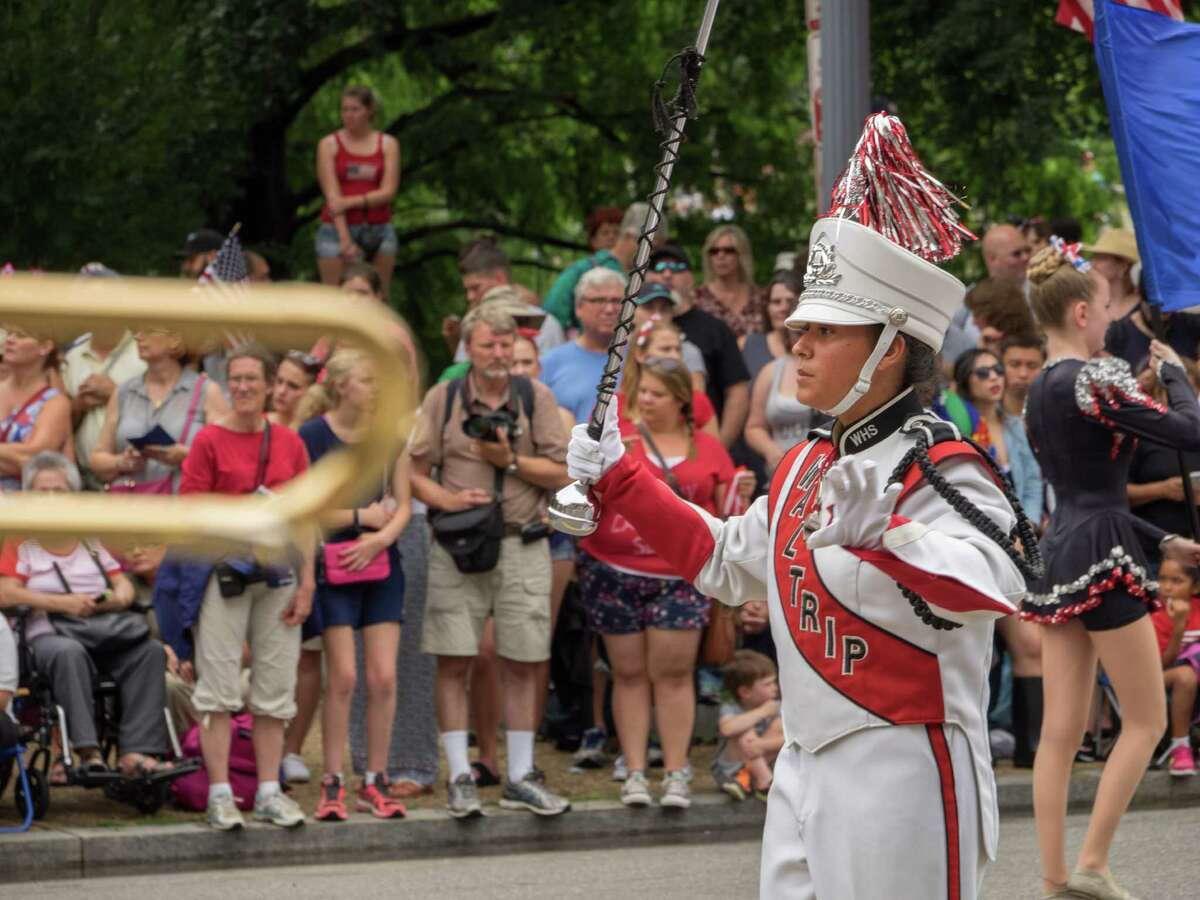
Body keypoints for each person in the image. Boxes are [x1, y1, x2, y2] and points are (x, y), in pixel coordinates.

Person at [567, 113, 1030, 899]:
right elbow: (724, 562)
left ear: (890, 346)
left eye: (824, 330)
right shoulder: (809, 462)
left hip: (905, 764)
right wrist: (620, 478)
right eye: (799, 326)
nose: (797, 341)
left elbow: (1000, 583)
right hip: (803, 763)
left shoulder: (942, 463)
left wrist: (894, 539)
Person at [1020, 242, 1200, 900]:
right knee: (1147, 720)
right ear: (1079, 312)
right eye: (1102, 309)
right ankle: (1093, 861)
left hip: (1064, 547)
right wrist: (1177, 374)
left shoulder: (1039, 389)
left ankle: (1054, 876)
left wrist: (1166, 537)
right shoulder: (1097, 377)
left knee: (1060, 732)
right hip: (1104, 555)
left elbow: (1088, 488)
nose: (1109, 321)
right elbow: (1190, 432)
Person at [409, 304, 572, 818]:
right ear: (469, 350)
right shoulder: (445, 397)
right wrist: (445, 500)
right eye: (488, 345)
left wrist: (512, 462)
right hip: (458, 547)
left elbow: (566, 473)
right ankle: (460, 773)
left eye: (506, 345)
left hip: (523, 541)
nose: (499, 355)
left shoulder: (535, 396)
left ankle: (521, 774)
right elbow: (414, 470)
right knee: (454, 658)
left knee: (524, 661)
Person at [577, 357, 751, 809]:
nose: (646, 400)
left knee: (673, 675)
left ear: (680, 399)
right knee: (628, 673)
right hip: (613, 569)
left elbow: (726, 509)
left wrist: (741, 493)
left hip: (680, 575)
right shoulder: (623, 440)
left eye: (656, 393)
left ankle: (676, 773)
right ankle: (635, 771)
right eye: (643, 392)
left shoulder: (707, 448)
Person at [180, 345, 315, 832]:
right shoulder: (208, 442)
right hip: (225, 573)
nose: (242, 387)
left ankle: (268, 791)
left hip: (279, 574)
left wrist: (309, 582)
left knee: (275, 688)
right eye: (234, 379)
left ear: (269, 386)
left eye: (251, 380)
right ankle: (220, 794)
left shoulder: (289, 443)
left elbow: (306, 518)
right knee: (216, 689)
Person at [0, 452, 170, 779]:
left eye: (59, 491)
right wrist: (62, 603)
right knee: (68, 653)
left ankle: (137, 752)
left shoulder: (90, 542)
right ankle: (87, 749)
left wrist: (109, 601)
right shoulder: (21, 542)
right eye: (42, 492)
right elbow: (6, 593)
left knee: (149, 652)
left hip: (102, 629)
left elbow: (125, 589)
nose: (51, 499)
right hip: (48, 636)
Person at [296, 349, 411, 821]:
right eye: (368, 379)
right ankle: (333, 779)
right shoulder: (312, 436)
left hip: (382, 563)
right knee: (342, 677)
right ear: (342, 385)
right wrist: (362, 518)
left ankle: (375, 779)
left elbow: (403, 503)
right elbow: (304, 509)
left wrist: (380, 536)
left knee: (383, 677)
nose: (377, 389)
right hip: (334, 565)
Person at [90, 329, 227, 493]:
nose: (138, 337)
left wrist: (186, 455)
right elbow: (97, 457)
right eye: (138, 332)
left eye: (149, 331)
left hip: (183, 508)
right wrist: (121, 461)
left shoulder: (206, 391)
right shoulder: (124, 391)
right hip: (129, 510)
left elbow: (226, 457)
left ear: (174, 341)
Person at [646, 244, 751, 449]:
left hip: (702, 441)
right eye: (659, 268)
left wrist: (718, 448)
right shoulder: (634, 331)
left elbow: (737, 392)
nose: (667, 274)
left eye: (676, 267)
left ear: (691, 278)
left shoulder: (715, 329)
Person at [60, 266, 147, 490]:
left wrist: (115, 394)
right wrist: (77, 406)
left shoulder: (146, 354)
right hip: (83, 484)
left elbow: (167, 416)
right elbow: (60, 426)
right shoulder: (72, 357)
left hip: (136, 483)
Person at [315, 85, 401, 294]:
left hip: (379, 227)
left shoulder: (387, 144)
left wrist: (352, 201)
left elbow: (388, 191)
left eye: (355, 109)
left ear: (369, 111)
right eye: (344, 110)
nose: (348, 115)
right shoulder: (328, 144)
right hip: (337, 229)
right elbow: (333, 197)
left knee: (379, 296)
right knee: (337, 298)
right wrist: (345, 241)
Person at [951, 348, 1043, 525]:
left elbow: (1033, 481)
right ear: (965, 381)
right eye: (983, 373)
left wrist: (1030, 525)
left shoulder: (1014, 425)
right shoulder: (959, 432)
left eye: (998, 370)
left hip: (1024, 534)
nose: (994, 377)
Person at [542, 202, 659, 332]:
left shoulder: (645, 275)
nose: (611, 238)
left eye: (616, 232)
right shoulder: (579, 270)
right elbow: (553, 315)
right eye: (605, 233)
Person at [443, 239, 564, 358]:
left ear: (499, 278)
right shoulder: (547, 323)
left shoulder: (544, 324)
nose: (470, 297)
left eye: (476, 288)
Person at [540, 267, 625, 425]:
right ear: (578, 307)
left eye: (617, 301)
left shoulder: (640, 359)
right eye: (599, 300)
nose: (609, 309)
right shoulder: (549, 364)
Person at [943, 224, 1032, 368]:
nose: (1026, 257)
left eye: (1028, 250)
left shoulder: (1042, 295)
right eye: (1017, 253)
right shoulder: (969, 298)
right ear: (992, 259)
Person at [619, 317, 717, 437]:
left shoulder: (697, 401)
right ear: (640, 354)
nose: (675, 356)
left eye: (678, 349)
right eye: (666, 349)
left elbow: (713, 451)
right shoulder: (614, 405)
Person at [0, 326, 71, 491]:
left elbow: (35, 460)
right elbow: (23, 459)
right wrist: (15, 456)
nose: (10, 340)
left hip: (25, 507)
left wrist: (23, 459)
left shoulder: (55, 402)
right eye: (10, 334)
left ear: (45, 347)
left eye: (21, 335)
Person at [1150, 557, 1200, 777]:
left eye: (1177, 580)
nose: (1167, 587)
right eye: (1162, 579)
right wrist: (1178, 627)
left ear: (1196, 586)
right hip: (1163, 678)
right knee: (1186, 675)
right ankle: (1180, 746)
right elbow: (1159, 666)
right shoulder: (1155, 616)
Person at [712, 649, 783, 801]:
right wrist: (763, 712)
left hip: (763, 762)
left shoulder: (776, 707)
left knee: (779, 724)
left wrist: (762, 745)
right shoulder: (732, 707)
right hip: (731, 770)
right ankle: (763, 782)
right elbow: (727, 729)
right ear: (745, 692)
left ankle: (757, 777)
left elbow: (789, 738)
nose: (775, 688)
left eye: (774, 682)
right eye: (767, 684)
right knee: (744, 730)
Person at [629, 281, 707, 389]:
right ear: (631, 313)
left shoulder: (688, 351)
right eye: (648, 307)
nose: (657, 316)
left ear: (672, 314)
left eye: (664, 309)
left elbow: (696, 400)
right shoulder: (617, 348)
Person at [693, 224, 764, 340]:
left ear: (741, 254)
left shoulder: (760, 298)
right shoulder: (696, 299)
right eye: (714, 251)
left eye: (729, 250)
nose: (720, 256)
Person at [741, 270, 802, 382]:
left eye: (789, 301)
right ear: (767, 308)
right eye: (776, 302)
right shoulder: (747, 345)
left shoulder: (811, 347)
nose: (783, 308)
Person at [1086, 227, 1142, 323]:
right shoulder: (1089, 305)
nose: (1092, 264)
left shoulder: (1144, 306)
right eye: (1093, 257)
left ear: (1123, 266)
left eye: (1101, 258)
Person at [268, 351, 322, 429]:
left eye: (293, 386)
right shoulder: (256, 423)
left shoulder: (313, 433)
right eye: (279, 381)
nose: (282, 391)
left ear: (311, 392)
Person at [999, 334, 1046, 421]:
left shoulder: (1054, 414)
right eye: (1014, 364)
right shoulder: (982, 415)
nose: (1023, 374)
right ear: (1000, 366)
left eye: (1032, 366)